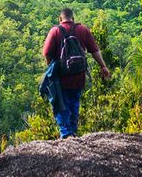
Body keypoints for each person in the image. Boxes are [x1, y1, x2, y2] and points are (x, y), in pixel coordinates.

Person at [42, 8, 111, 138]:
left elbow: (46, 52)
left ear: (60, 19)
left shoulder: (55, 31)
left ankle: (66, 134)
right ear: (73, 19)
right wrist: (103, 66)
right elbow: (95, 50)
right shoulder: (83, 30)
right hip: (79, 76)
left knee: (61, 104)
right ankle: (72, 132)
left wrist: (50, 64)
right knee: (74, 103)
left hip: (60, 78)